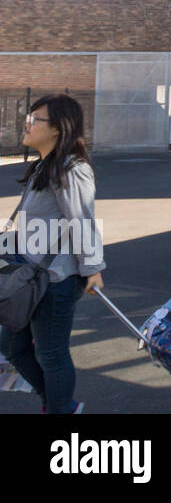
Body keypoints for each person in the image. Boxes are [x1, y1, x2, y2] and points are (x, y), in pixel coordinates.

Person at [0, 94, 105, 414]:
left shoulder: (71, 168)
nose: (27, 125)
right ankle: (60, 404)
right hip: (32, 278)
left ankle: (60, 411)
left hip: (58, 280)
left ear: (58, 128)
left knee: (51, 355)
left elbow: (82, 219)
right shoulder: (43, 167)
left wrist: (93, 268)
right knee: (13, 348)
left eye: (35, 120)